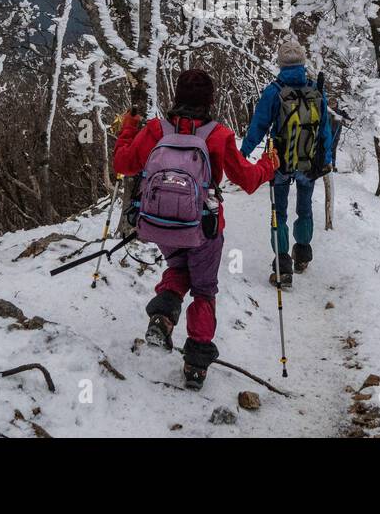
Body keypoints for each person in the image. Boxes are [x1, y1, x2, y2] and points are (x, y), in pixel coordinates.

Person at [113, 68, 278, 390]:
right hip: (203, 227)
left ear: (177, 95)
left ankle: (162, 315)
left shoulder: (156, 130)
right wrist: (270, 164)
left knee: (178, 266)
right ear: (210, 99)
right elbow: (247, 180)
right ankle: (195, 365)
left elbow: (123, 164)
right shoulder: (218, 135)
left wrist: (129, 128)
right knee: (203, 289)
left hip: (160, 225)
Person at [240, 38, 334, 288]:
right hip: (308, 162)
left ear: (281, 63)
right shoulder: (315, 90)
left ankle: (282, 267)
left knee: (278, 212)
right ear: (303, 62)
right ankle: (302, 254)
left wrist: (241, 154)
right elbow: (324, 129)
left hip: (279, 162)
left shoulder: (274, 90)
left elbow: (258, 127)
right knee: (304, 208)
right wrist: (326, 160)